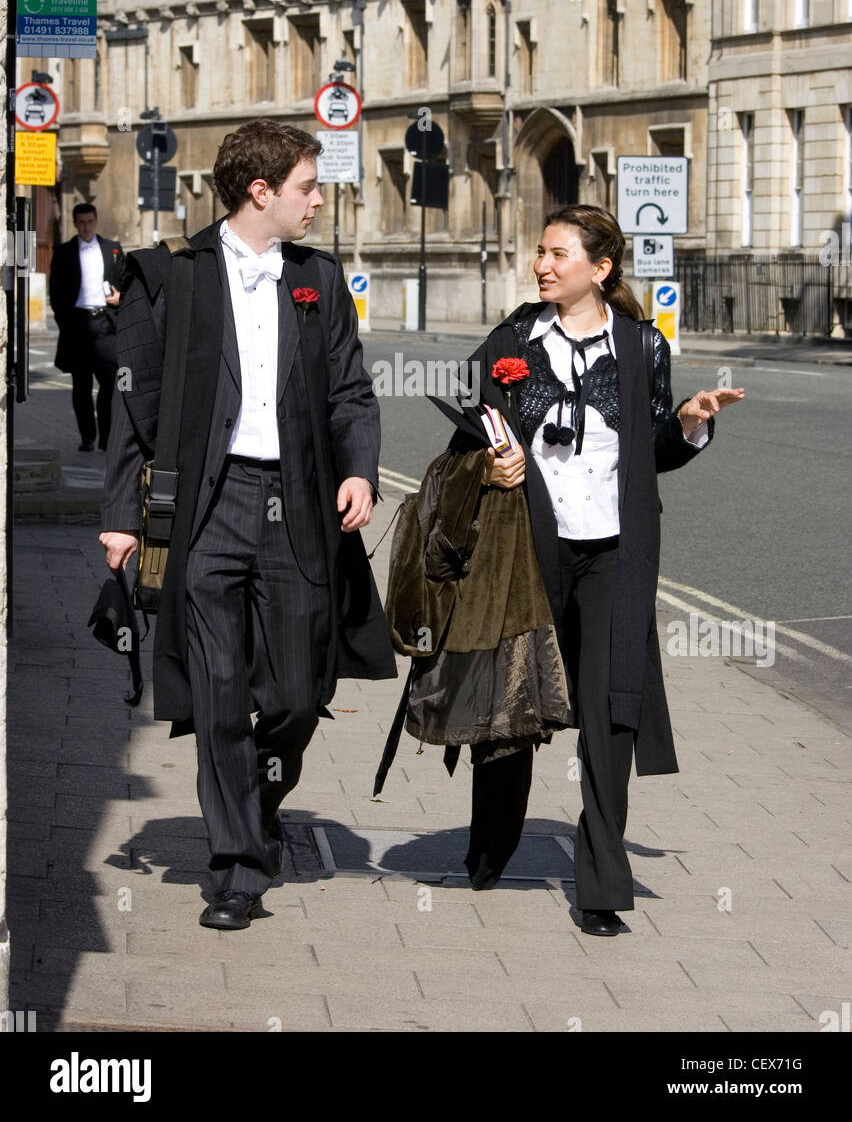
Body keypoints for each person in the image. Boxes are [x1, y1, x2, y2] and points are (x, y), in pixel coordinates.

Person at [99, 120, 396, 931]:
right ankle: (235, 865)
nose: (318, 200)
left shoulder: (319, 279)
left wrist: (361, 469)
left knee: (299, 693)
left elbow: (350, 391)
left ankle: (257, 797)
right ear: (261, 191)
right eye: (308, 185)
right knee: (221, 691)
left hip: (297, 506)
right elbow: (138, 411)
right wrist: (125, 519)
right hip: (206, 510)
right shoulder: (173, 278)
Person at [450, 205, 744, 934]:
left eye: (557, 254)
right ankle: (491, 846)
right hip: (529, 549)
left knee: (612, 711)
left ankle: (603, 884)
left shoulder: (642, 345)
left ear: (600, 269)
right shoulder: (514, 338)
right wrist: (495, 456)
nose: (542, 265)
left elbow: (653, 451)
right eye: (540, 252)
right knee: (511, 702)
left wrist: (690, 423)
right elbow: (473, 425)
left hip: (614, 552)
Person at [48, 202, 125, 450]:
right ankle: (87, 438)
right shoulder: (63, 252)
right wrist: (65, 323)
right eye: (81, 222)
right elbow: (56, 292)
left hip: (105, 323)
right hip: (77, 326)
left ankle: (106, 437)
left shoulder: (112, 249)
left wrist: (120, 298)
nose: (86, 226)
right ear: (75, 223)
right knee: (81, 387)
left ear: (96, 220)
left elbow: (125, 281)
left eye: (90, 221)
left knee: (111, 383)